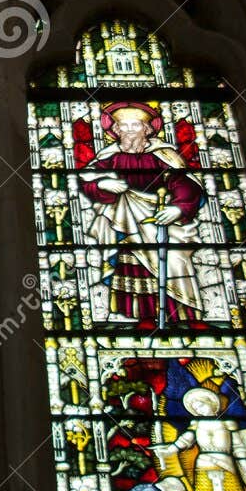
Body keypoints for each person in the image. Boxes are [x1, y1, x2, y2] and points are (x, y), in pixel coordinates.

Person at [78, 101, 207, 327]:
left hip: (164, 217)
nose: (128, 131)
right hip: (126, 220)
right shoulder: (109, 157)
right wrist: (104, 185)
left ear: (147, 129)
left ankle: (185, 315)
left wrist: (177, 208)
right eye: (123, 126)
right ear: (115, 130)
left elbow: (185, 183)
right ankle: (146, 317)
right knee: (136, 268)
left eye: (134, 126)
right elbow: (88, 184)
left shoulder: (162, 155)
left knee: (175, 263)